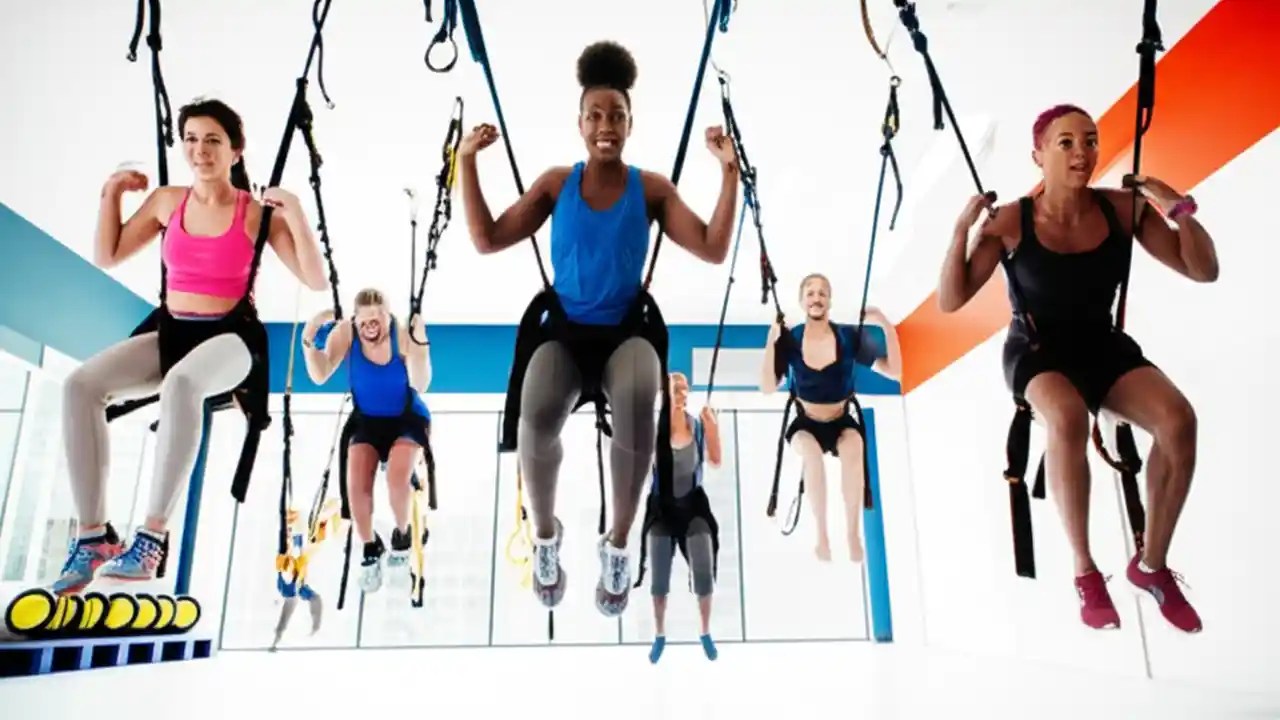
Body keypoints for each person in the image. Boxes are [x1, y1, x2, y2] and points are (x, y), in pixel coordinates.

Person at [458, 40, 738, 617]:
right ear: (579, 122)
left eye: (617, 115)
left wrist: (729, 172)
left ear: (631, 123)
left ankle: (617, 544)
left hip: (623, 337)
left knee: (640, 401)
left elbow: (712, 247)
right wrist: (467, 162)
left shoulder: (652, 188)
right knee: (534, 424)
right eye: (595, 115)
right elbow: (487, 239)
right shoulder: (556, 184)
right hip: (563, 335)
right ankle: (545, 540)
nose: (605, 125)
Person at [938, 104, 1218, 633]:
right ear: (1038, 154)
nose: (1081, 152)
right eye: (1065, 143)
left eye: (1089, 141)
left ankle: (1152, 567)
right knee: (1067, 418)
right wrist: (961, 233)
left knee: (1179, 421)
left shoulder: (1121, 210)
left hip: (1102, 345)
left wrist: (1174, 206)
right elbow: (951, 300)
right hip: (1037, 350)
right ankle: (1085, 572)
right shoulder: (1012, 221)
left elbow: (1203, 271)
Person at [52, 98, 329, 596]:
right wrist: (112, 192)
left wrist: (298, 213)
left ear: (236, 151)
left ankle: (152, 538)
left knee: (182, 384)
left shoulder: (255, 214)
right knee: (80, 386)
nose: (200, 150)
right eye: (192, 139)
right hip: (172, 330)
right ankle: (92, 537)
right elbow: (107, 253)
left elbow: (314, 279)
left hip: (233, 338)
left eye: (213, 140)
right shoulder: (167, 201)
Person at [760, 273, 901, 563]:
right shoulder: (791, 340)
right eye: (810, 293)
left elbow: (895, 371)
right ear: (802, 301)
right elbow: (767, 387)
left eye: (823, 292)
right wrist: (770, 340)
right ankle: (821, 534)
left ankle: (852, 533)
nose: (817, 297)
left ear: (830, 301)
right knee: (811, 454)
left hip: (840, 419)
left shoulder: (848, 337)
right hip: (806, 422)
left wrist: (886, 326)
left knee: (854, 446)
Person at [301, 288, 432, 594]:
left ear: (388, 316)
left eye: (378, 319)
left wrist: (420, 345)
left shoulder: (402, 334)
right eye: (365, 322)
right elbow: (319, 374)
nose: (371, 327)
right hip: (367, 420)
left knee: (397, 480)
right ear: (355, 321)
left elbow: (421, 383)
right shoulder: (346, 332)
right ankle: (371, 548)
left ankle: (403, 536)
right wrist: (310, 336)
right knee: (356, 489)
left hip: (406, 417)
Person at [642, 372, 723, 663]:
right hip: (662, 507)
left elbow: (715, 460)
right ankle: (660, 634)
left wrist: (713, 428)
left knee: (703, 565)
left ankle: (704, 631)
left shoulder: (698, 425)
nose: (682, 393)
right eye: (676, 388)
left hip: (693, 506)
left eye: (685, 388)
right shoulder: (652, 428)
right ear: (664, 391)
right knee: (659, 577)